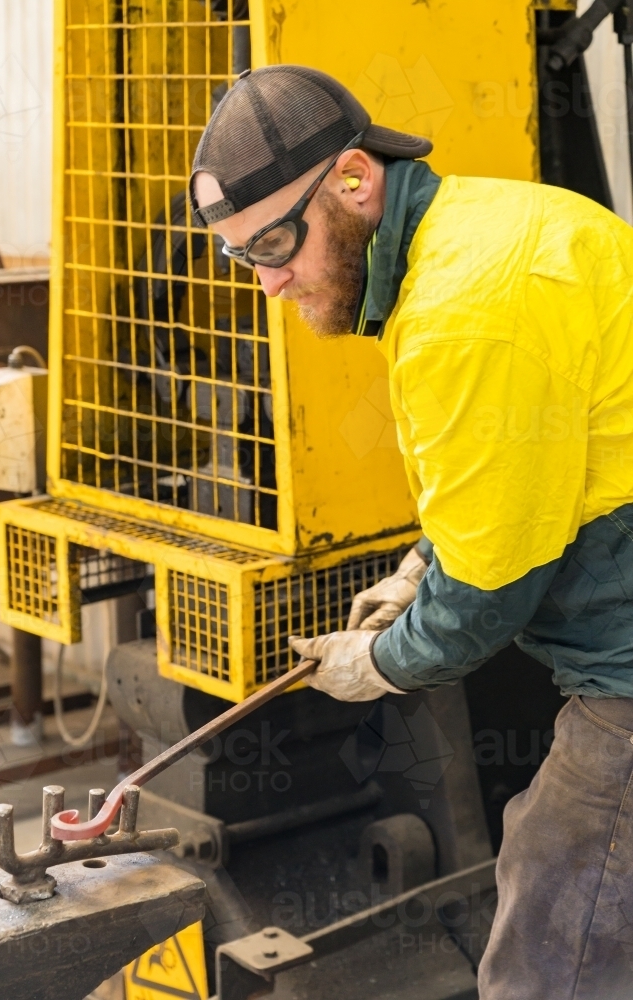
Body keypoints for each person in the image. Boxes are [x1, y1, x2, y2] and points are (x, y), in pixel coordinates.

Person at [190, 64, 633, 999]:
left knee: (555, 915)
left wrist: (382, 661)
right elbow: (538, 452)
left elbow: (482, 601)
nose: (267, 281)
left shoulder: (458, 314)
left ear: (352, 180)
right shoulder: (483, 226)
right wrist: (420, 560)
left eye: (274, 240)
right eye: (243, 256)